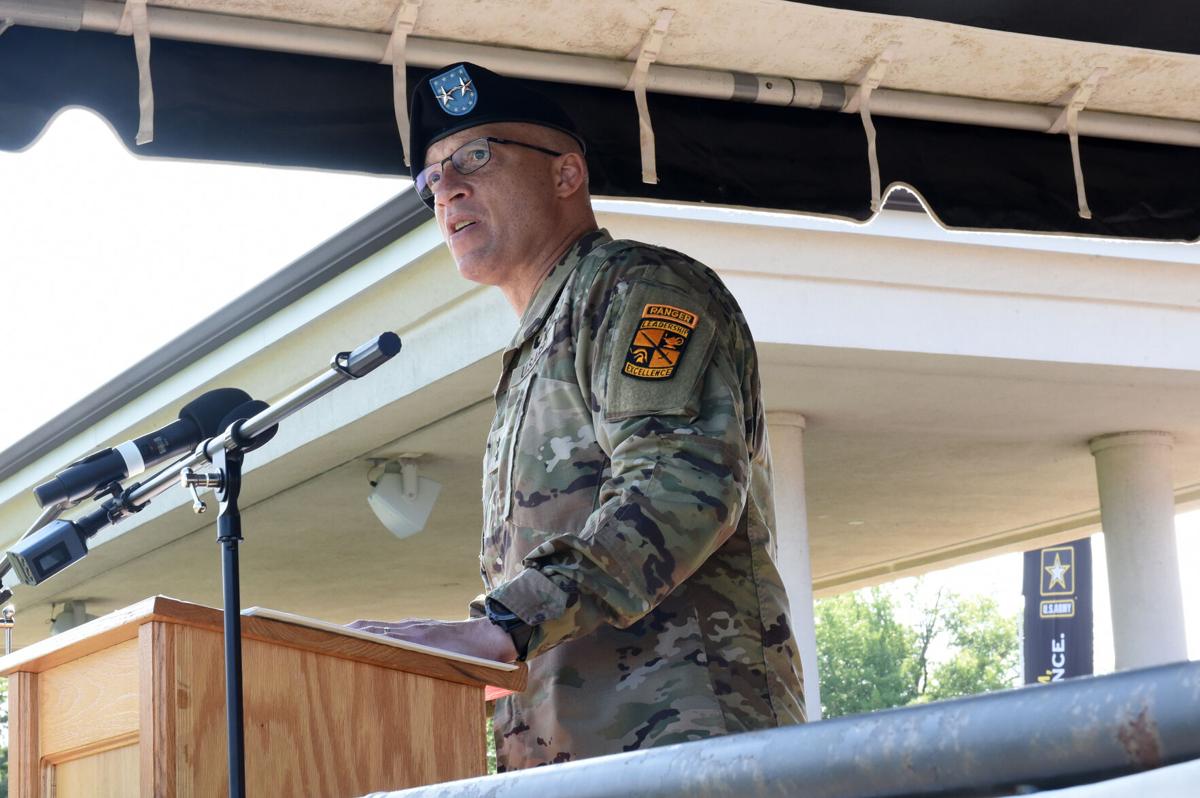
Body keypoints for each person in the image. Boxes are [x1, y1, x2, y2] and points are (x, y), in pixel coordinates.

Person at [350, 62, 805, 770]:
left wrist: (505, 623)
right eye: (432, 178)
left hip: (686, 750)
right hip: (577, 764)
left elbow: (680, 487)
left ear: (566, 174)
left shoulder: (636, 290)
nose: (448, 189)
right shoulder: (539, 344)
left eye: (477, 156)